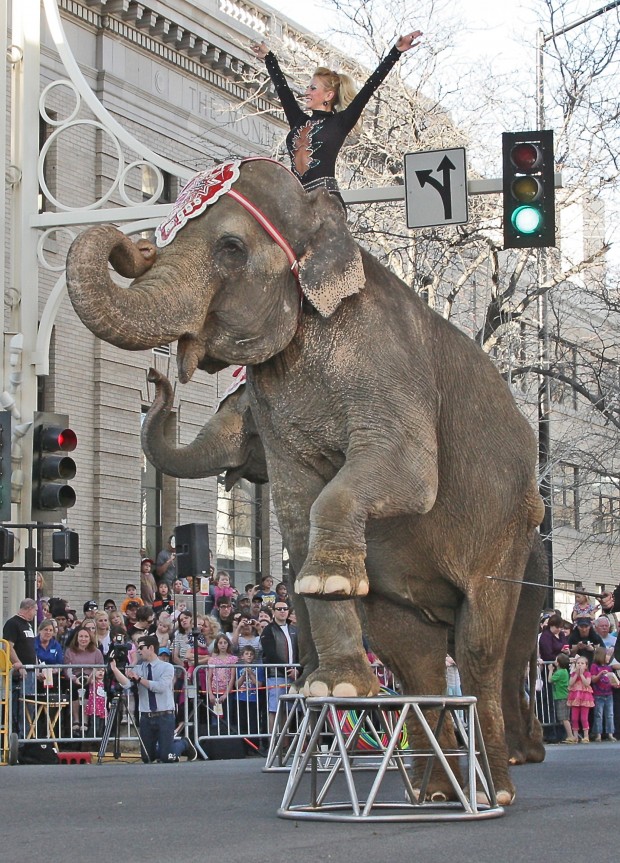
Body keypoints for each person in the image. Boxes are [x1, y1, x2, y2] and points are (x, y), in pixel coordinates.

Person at [251, 30, 422, 206]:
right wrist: (269, 58)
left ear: (329, 95)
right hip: (299, 202)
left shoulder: (339, 123)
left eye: (312, 88)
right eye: (308, 88)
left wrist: (395, 52)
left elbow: (369, 87)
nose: (306, 92)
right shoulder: (300, 122)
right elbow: (283, 90)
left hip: (326, 202)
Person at [109, 634, 179, 762]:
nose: (138, 651)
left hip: (165, 715)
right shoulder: (138, 669)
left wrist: (140, 679)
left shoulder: (167, 667)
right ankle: (164, 750)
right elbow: (127, 684)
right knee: (147, 757)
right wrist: (115, 669)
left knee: (166, 757)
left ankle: (182, 744)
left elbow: (160, 687)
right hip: (146, 716)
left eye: (141, 648)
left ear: (151, 648)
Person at [260, 601, 299, 731]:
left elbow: (300, 652)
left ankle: (286, 741)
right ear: (273, 612)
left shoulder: (294, 630)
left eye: (285, 609)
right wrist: (288, 670)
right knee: (275, 710)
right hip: (276, 676)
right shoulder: (269, 630)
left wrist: (297, 670)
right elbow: (270, 654)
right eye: (279, 609)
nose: (282, 611)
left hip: (294, 677)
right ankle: (273, 740)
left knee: (289, 711)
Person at [3, 598, 38, 735]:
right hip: (20, 673)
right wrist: (19, 664)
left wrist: (37, 668)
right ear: (29, 608)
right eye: (35, 610)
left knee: (29, 705)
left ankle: (27, 736)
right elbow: (8, 646)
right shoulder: (13, 623)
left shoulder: (28, 625)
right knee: (20, 706)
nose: (35, 613)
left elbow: (31, 648)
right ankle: (19, 737)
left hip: (31, 671)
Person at [64, 626, 105, 733]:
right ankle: (76, 720)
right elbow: (67, 669)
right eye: (81, 636)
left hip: (91, 678)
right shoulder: (70, 651)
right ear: (77, 638)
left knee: (89, 689)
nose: (83, 639)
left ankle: (85, 720)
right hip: (75, 677)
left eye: (86, 636)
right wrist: (74, 679)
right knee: (73, 689)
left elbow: (100, 668)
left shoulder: (96, 652)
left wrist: (91, 677)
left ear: (90, 638)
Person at [206, 634, 238, 727]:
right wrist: (210, 694)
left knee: (227, 717)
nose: (223, 645)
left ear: (228, 644)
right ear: (217, 645)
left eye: (225, 643)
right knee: (215, 717)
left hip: (227, 692)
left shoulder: (232, 659)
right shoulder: (212, 660)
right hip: (215, 691)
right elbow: (209, 677)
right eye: (220, 643)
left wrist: (226, 694)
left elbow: (232, 677)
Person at [589, 645, 617, 742]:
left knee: (610, 714)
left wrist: (615, 684)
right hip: (598, 695)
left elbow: (611, 680)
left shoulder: (609, 668)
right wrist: (600, 674)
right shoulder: (594, 666)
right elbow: (593, 679)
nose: (609, 657)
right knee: (598, 714)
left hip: (608, 694)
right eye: (607, 655)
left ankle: (610, 733)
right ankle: (598, 734)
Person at [567, 654, 594, 743]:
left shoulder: (587, 674)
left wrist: (581, 675)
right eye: (578, 663)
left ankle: (586, 736)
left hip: (585, 698)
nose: (580, 665)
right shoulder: (573, 674)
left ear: (586, 666)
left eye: (582, 663)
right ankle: (575, 737)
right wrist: (576, 674)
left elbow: (587, 683)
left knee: (584, 718)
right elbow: (570, 683)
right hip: (575, 698)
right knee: (574, 718)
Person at [548, 652, 575, 743]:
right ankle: (570, 735)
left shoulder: (559, 672)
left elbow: (550, 680)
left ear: (558, 663)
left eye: (556, 660)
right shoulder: (564, 671)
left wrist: (550, 670)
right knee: (565, 717)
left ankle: (570, 736)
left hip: (561, 697)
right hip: (564, 696)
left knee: (564, 718)